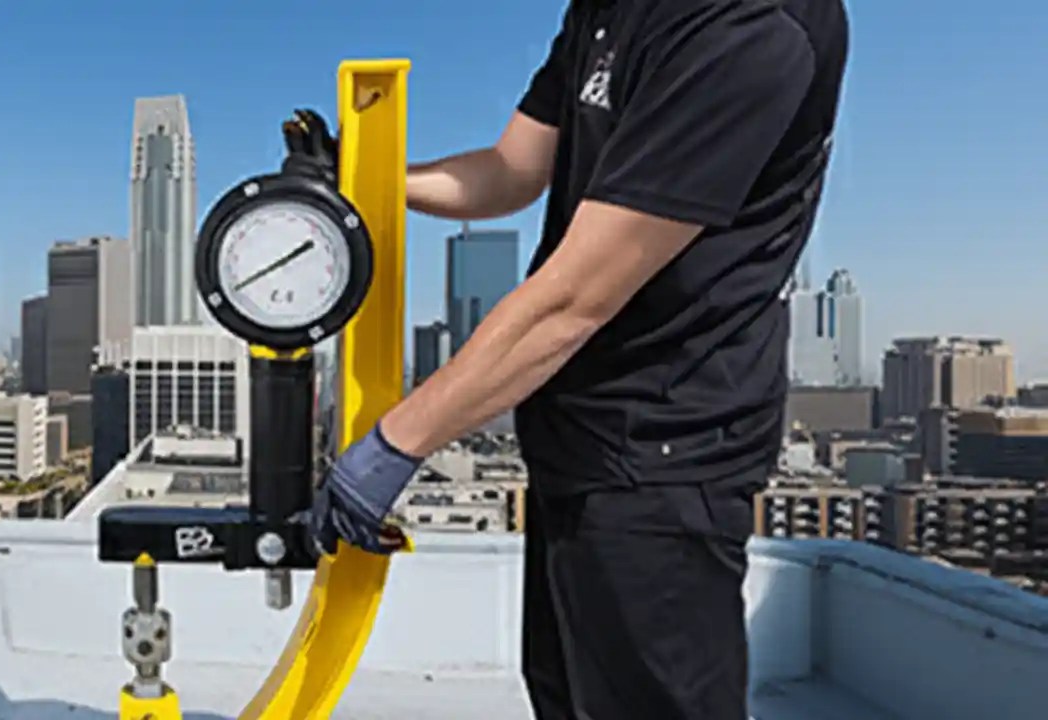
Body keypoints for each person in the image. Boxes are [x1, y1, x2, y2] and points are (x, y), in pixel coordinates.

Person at [301, 0, 849, 717]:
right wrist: (368, 174)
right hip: (574, 443)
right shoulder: (606, 7)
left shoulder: (749, 28)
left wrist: (392, 447)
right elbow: (511, 170)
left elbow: (576, 298)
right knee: (564, 698)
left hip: (665, 459)